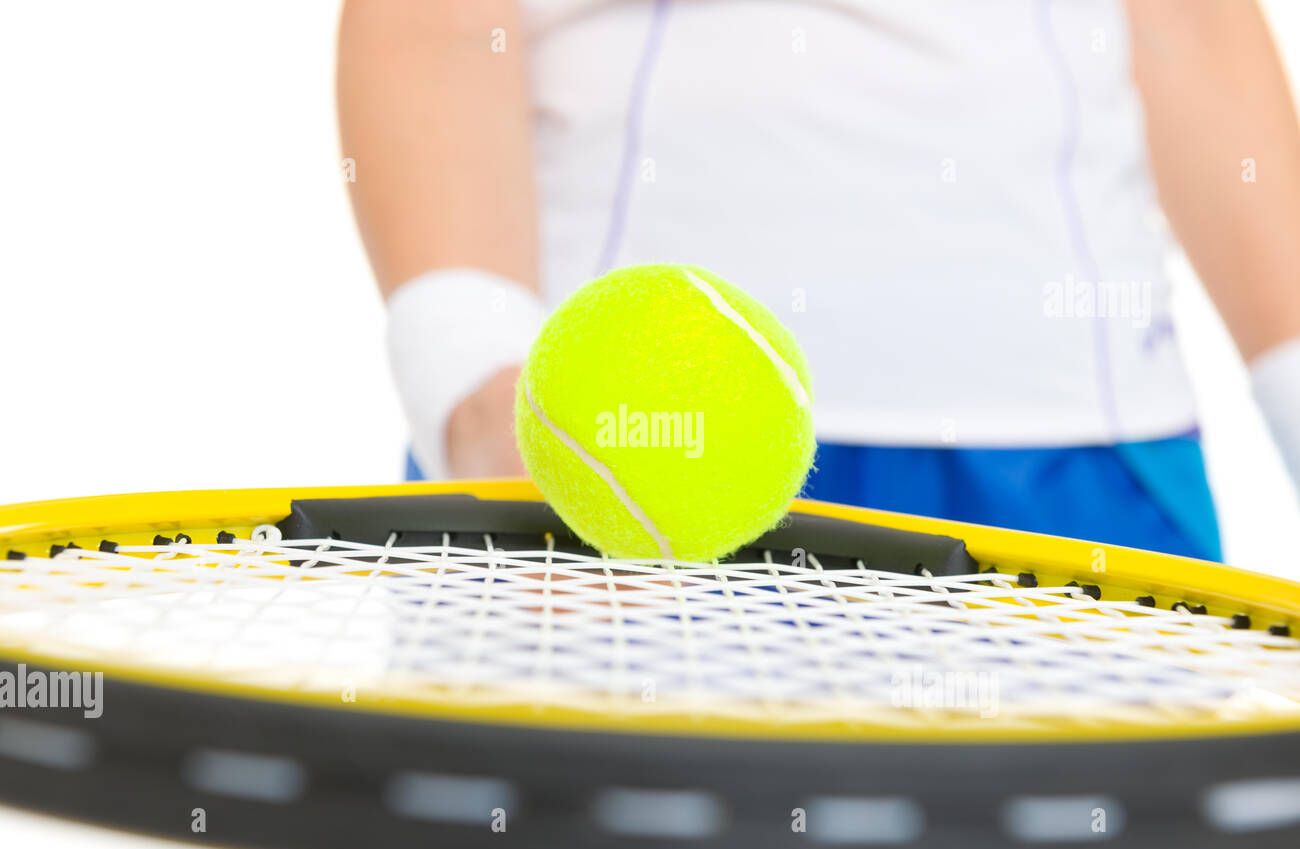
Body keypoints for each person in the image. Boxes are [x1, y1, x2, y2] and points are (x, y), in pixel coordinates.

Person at [337, 0, 1300, 561]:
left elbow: (1189, 23)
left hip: (1075, 454)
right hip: (617, 462)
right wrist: (477, 390)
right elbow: (443, 24)